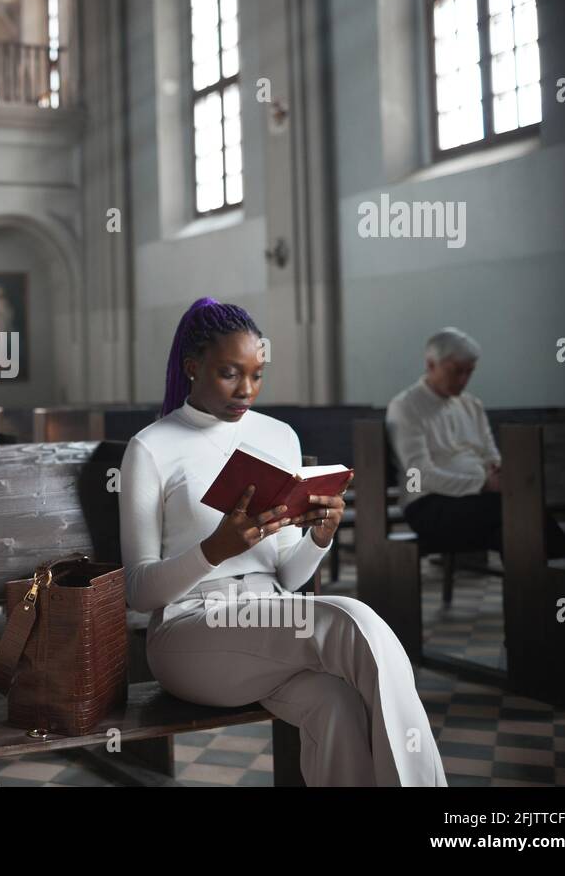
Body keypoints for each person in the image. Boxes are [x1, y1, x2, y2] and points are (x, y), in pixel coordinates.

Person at [119, 296, 447, 786]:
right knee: (353, 621)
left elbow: (288, 575)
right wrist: (216, 549)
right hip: (189, 632)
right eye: (230, 373)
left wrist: (319, 536)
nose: (246, 389)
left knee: (334, 704)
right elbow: (139, 592)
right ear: (192, 367)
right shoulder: (151, 447)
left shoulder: (279, 437)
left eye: (257, 374)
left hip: (269, 615)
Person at [386, 327, 565, 561]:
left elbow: (491, 456)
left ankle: (542, 592)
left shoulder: (472, 405)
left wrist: (498, 471)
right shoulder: (406, 406)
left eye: (469, 372)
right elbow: (419, 476)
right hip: (428, 506)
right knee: (518, 510)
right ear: (431, 364)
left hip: (477, 503)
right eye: (456, 371)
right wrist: (483, 484)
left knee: (516, 534)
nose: (463, 380)